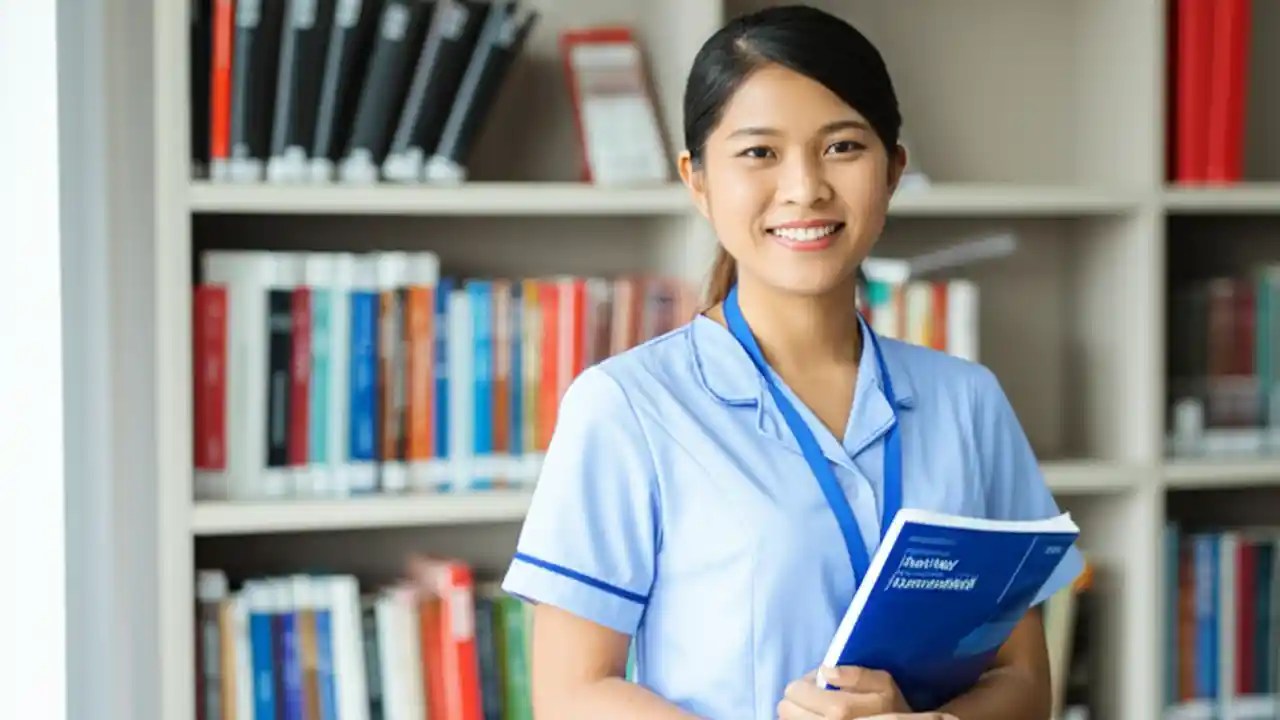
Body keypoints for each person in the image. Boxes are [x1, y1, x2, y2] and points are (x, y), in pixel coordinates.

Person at [499, 5, 1084, 719]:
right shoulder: (626, 406)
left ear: (894, 169)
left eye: (842, 147)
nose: (805, 188)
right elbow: (570, 694)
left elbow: (1026, 681)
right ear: (697, 180)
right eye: (758, 153)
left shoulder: (970, 401)